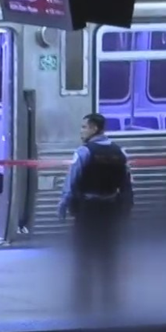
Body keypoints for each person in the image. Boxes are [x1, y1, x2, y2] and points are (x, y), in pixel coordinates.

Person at [58, 113, 134, 313]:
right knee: (109, 255)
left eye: (84, 127)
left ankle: (82, 302)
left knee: (83, 255)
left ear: (94, 129)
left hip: (88, 210)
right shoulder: (120, 152)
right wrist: (126, 208)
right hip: (111, 209)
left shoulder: (84, 152)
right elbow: (127, 183)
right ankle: (110, 300)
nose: (82, 131)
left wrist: (65, 204)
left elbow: (72, 181)